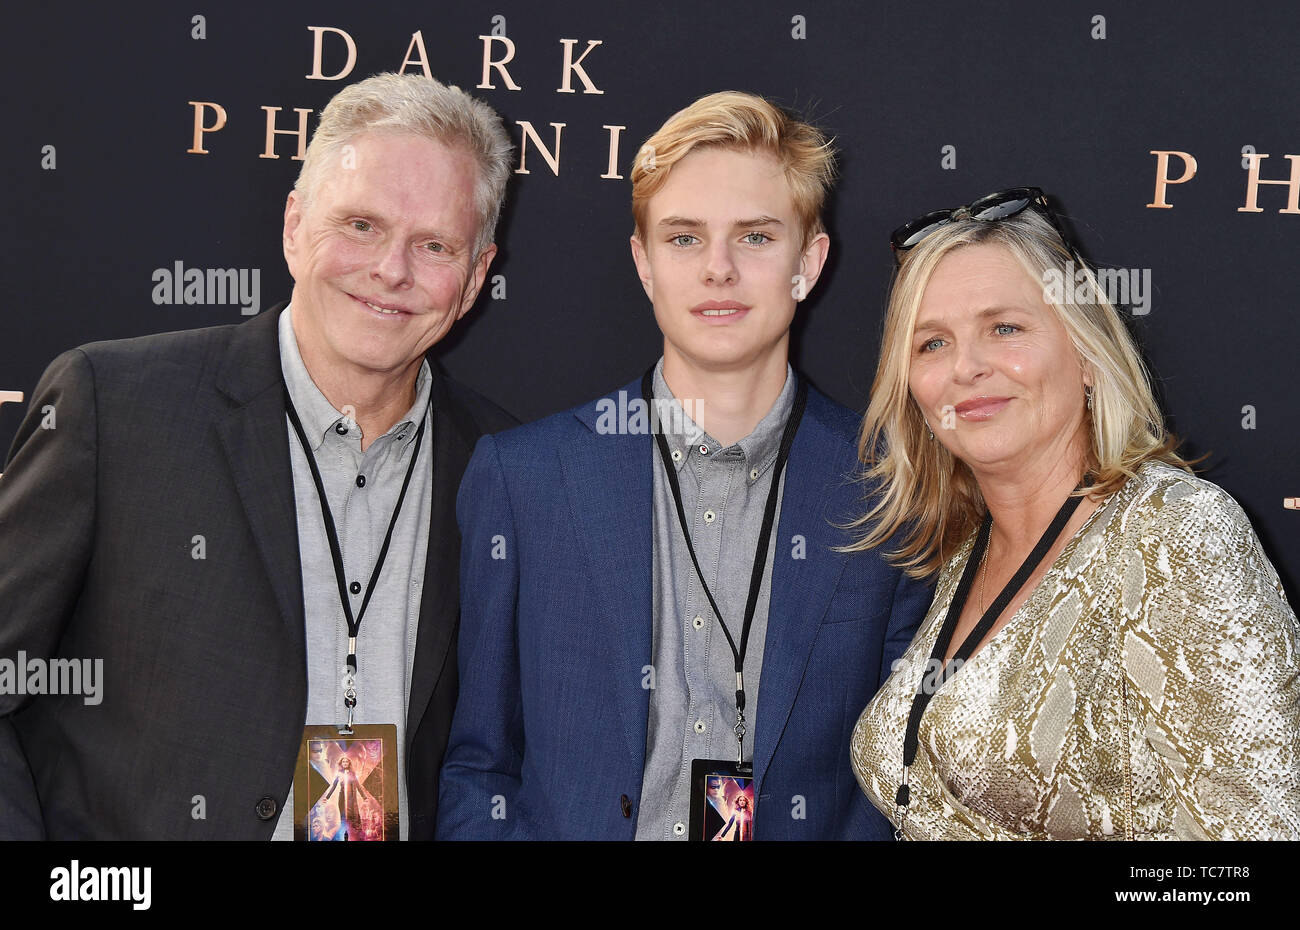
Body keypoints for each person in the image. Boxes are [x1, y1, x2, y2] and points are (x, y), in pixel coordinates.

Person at [0, 72, 515, 839]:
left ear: (474, 279)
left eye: (433, 245)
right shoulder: (114, 405)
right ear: (294, 227)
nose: (391, 271)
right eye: (361, 225)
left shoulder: (503, 469)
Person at [437, 91, 932, 840]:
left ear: (810, 259)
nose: (719, 270)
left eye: (757, 237)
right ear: (644, 263)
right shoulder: (524, 479)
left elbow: (895, 780)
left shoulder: (894, 486)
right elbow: (479, 765)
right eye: (684, 239)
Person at [847, 188, 1300, 839]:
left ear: (1085, 353)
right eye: (933, 343)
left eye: (1005, 328)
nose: (967, 367)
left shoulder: (1176, 531)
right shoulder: (965, 557)